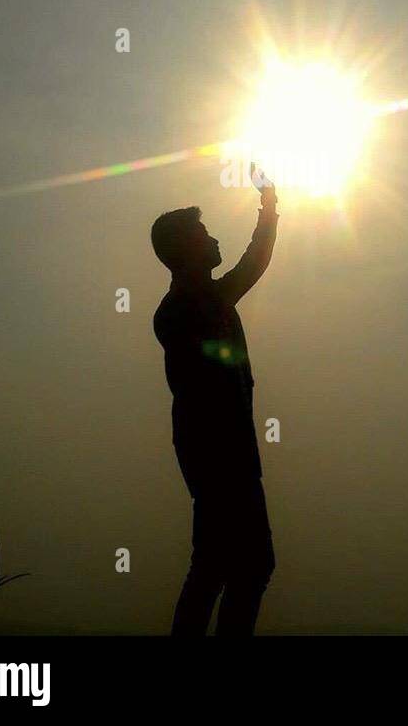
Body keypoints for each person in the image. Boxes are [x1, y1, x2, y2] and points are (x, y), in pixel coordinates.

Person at [151, 166, 279, 636]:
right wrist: (268, 203)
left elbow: (250, 266)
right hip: (218, 454)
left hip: (223, 452)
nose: (213, 239)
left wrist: (269, 203)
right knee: (234, 565)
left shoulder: (199, 300)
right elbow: (252, 266)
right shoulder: (189, 306)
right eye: (203, 233)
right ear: (186, 248)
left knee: (225, 565)